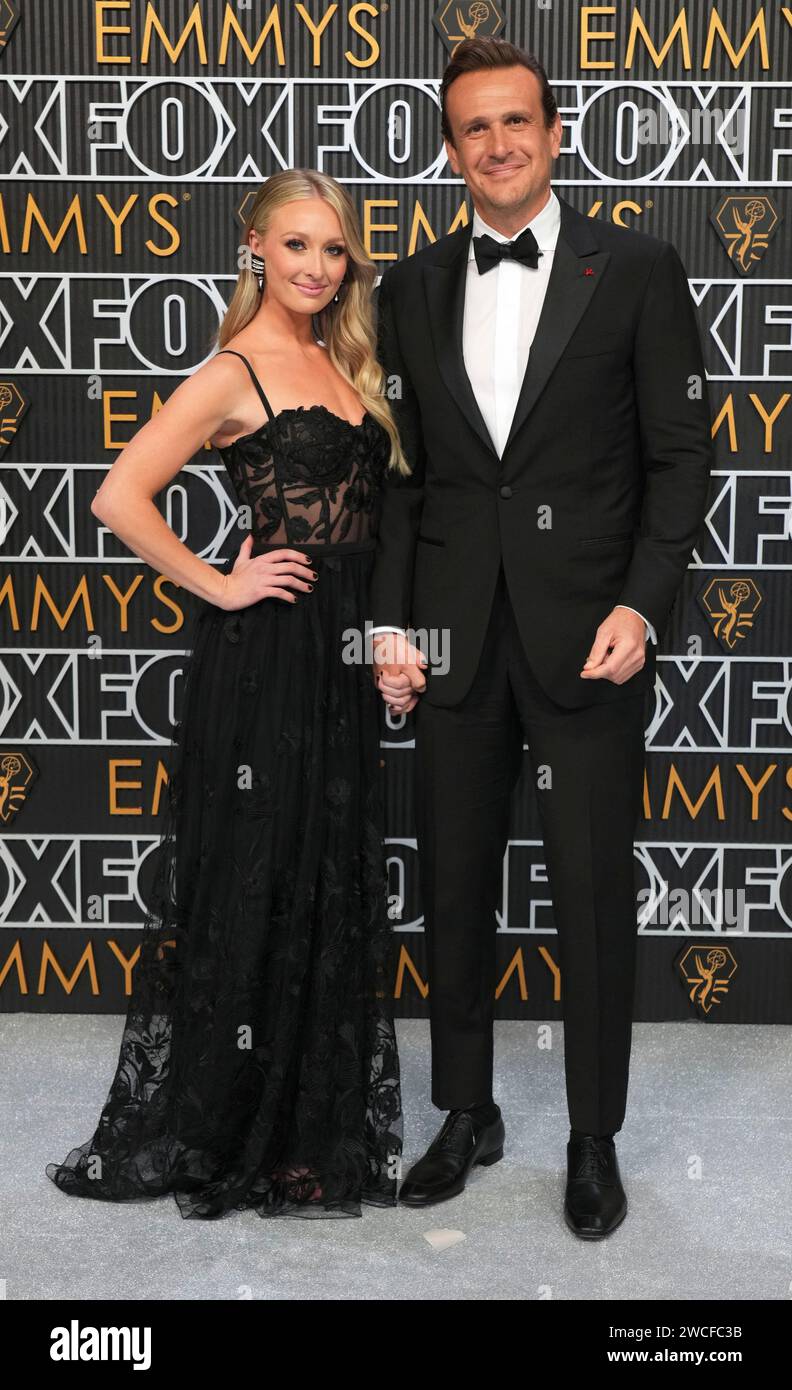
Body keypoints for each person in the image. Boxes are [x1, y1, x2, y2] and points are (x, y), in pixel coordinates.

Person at [371, 37, 713, 1238]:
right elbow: (405, 488)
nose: (498, 145)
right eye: (474, 127)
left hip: (590, 643)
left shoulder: (639, 270)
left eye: (517, 122)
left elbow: (681, 460)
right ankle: (464, 1110)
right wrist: (391, 633)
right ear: (449, 147)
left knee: (587, 900)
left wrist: (642, 605)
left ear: (556, 133)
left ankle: (592, 1136)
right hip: (456, 642)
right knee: (454, 888)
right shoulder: (408, 288)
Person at [46, 169, 404, 1220]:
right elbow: (120, 494)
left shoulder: (349, 363)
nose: (315, 266)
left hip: (339, 656)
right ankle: (227, 1125)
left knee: (324, 874)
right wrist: (221, 580)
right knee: (259, 873)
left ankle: (307, 1127)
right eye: (296, 245)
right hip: (266, 655)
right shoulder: (233, 366)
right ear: (255, 248)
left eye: (333, 250)